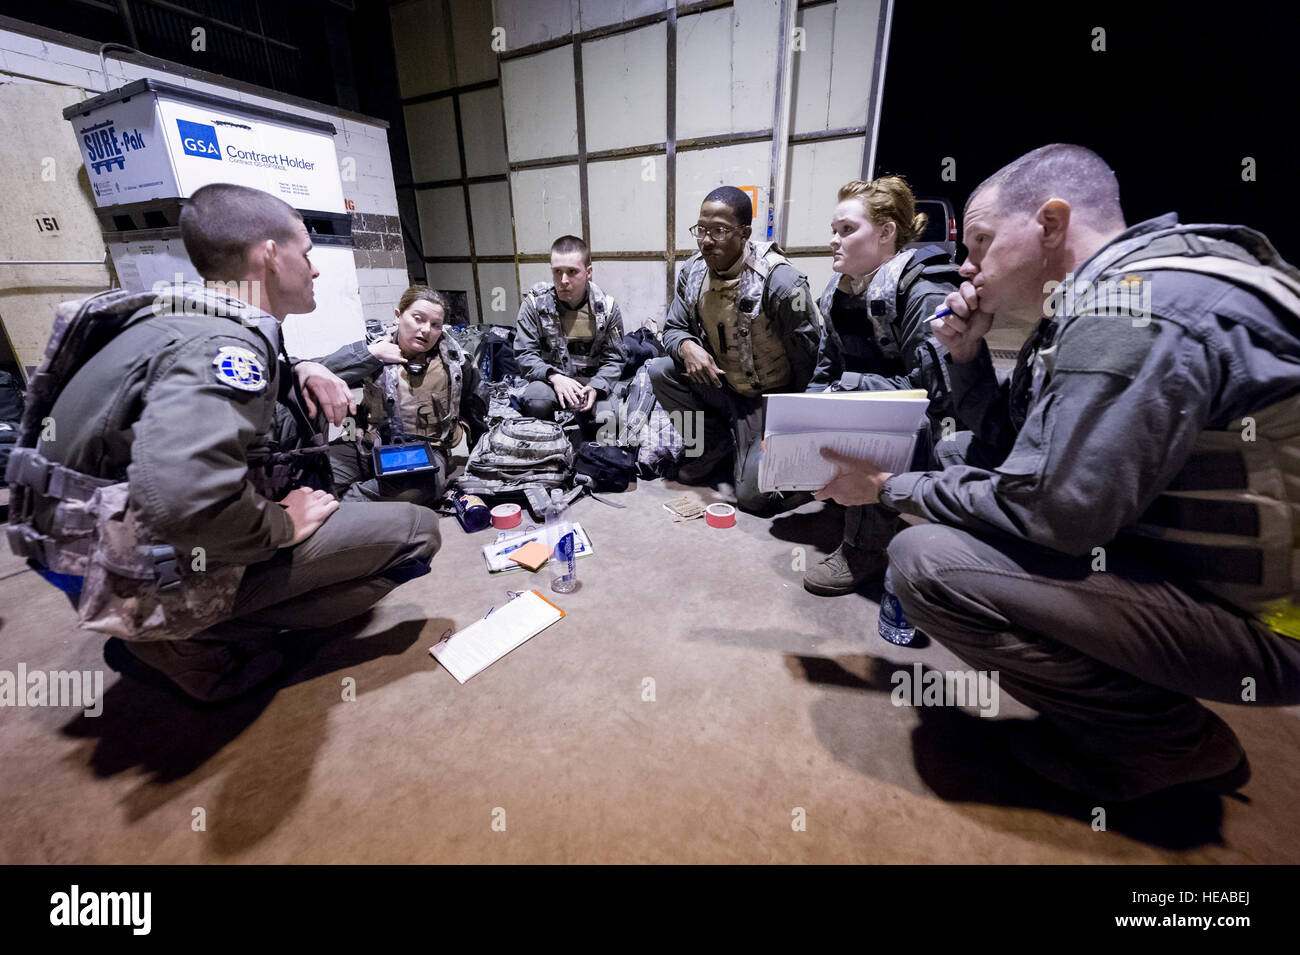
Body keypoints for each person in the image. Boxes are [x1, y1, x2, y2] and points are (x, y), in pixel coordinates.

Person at [815, 144, 1300, 802]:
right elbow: (1003, 452)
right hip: (1203, 577)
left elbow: (1056, 513)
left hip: (1275, 622)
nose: (966, 264)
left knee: (927, 560)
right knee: (945, 473)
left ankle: (1165, 739)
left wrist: (884, 490)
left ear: (1049, 224)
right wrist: (965, 356)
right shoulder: (1094, 300)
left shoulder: (1132, 307)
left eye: (981, 241)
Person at [8, 183, 440, 703]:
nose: (316, 268)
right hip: (119, 565)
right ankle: (189, 639)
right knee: (417, 531)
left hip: (84, 538)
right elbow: (184, 497)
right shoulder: (224, 346)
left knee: (335, 459)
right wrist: (281, 525)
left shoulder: (184, 314)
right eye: (307, 253)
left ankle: (194, 612)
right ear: (271, 256)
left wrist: (301, 366)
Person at [802, 176, 962, 596]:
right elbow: (825, 370)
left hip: (933, 429)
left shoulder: (926, 292)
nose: (834, 241)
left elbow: (936, 395)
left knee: (863, 418)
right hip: (874, 404)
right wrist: (801, 427)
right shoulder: (838, 294)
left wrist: (850, 390)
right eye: (834, 231)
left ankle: (865, 548)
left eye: (847, 230)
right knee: (761, 494)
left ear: (887, 232)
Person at [649, 185, 822, 513]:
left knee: (753, 499)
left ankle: (791, 473)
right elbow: (673, 328)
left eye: (719, 231)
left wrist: (795, 431)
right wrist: (687, 345)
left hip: (771, 402)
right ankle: (713, 445)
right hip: (724, 387)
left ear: (744, 233)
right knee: (661, 370)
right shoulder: (693, 272)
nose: (706, 240)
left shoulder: (780, 283)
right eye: (702, 230)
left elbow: (811, 362)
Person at [324, 285, 478, 507]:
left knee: (420, 489)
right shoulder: (375, 349)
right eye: (418, 318)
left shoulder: (454, 361)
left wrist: (478, 459)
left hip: (426, 450)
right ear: (398, 316)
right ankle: (355, 494)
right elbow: (322, 372)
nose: (426, 330)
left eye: (435, 325)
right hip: (365, 441)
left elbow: (475, 409)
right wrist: (371, 355)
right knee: (315, 472)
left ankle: (342, 505)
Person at [513, 235, 627, 430]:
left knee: (609, 415)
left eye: (572, 271)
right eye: (557, 272)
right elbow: (525, 354)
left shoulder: (607, 309)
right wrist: (554, 377)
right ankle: (547, 447)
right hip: (551, 382)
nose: (563, 280)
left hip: (591, 382)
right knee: (535, 400)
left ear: (588, 272)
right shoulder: (534, 305)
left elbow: (615, 358)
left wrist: (598, 386)